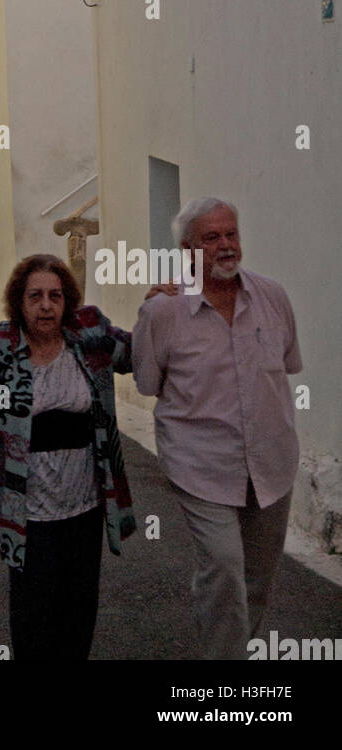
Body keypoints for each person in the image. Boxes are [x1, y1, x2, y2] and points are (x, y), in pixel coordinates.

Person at [132, 198, 302, 661]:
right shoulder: (162, 313)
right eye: (211, 238)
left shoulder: (273, 297)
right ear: (187, 250)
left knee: (258, 579)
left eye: (231, 234)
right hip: (200, 463)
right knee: (225, 566)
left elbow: (286, 365)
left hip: (271, 459)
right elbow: (148, 383)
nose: (225, 245)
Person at [0, 253, 135, 661]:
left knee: (79, 604)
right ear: (19, 301)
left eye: (55, 296)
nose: (46, 305)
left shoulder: (89, 337)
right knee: (34, 608)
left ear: (67, 302)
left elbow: (139, 352)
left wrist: (162, 303)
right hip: (24, 505)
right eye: (35, 296)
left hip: (84, 501)